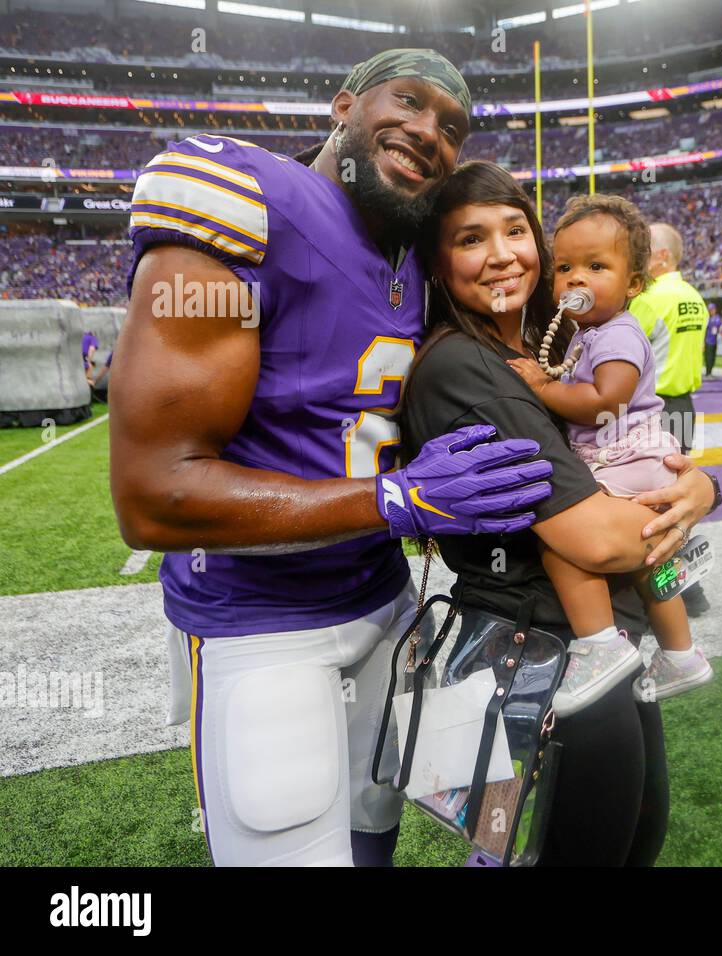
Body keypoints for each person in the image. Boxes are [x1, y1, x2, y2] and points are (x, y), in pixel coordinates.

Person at [109, 49, 559, 867]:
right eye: (408, 102)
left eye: (452, 126)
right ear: (344, 106)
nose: (429, 131)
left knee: (371, 839)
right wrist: (395, 501)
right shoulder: (250, 198)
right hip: (263, 622)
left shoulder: (418, 253)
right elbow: (153, 495)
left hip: (384, 603)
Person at [400, 161, 719, 865]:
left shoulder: (548, 341)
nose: (502, 254)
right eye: (471, 239)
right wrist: (687, 511)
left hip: (604, 645)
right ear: (438, 264)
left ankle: (680, 653)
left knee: (633, 839)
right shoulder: (464, 365)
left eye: (515, 231)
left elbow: (627, 445)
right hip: (545, 648)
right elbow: (599, 542)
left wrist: (702, 489)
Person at [506, 193, 714, 704]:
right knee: (650, 561)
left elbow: (605, 400)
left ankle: (599, 643)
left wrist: (541, 386)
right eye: (565, 268)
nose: (576, 279)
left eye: (596, 267)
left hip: (625, 456)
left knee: (564, 544)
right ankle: (681, 653)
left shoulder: (617, 334)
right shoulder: (591, 331)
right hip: (638, 457)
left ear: (633, 284)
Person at [628, 221, 712, 617]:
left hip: (653, 409)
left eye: (644, 251)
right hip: (684, 407)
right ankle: (689, 591)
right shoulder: (695, 297)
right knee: (678, 499)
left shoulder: (649, 299)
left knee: (653, 504)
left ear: (661, 256)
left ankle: (677, 592)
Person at [704, 301, 722, 376]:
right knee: (708, 357)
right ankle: (708, 372)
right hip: (708, 341)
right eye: (710, 309)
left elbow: (719, 327)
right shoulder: (706, 318)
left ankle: (710, 372)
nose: (712, 311)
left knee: (713, 357)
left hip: (714, 340)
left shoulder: (717, 318)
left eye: (713, 309)